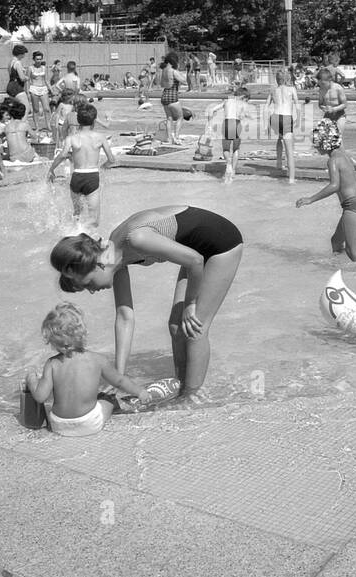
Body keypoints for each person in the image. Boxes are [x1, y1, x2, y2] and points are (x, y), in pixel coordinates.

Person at [49, 205, 244, 394]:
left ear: (97, 265)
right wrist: (120, 377)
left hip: (221, 244)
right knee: (176, 327)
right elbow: (125, 316)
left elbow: (195, 261)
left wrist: (190, 303)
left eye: (88, 284)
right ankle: (182, 387)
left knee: (195, 328)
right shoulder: (113, 258)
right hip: (195, 251)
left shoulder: (136, 239)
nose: (92, 291)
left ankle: (191, 399)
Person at [24, 303, 156, 437]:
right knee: (108, 399)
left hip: (58, 424)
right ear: (82, 333)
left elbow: (40, 396)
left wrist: (32, 380)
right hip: (89, 424)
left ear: (52, 341)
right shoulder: (97, 360)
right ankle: (120, 405)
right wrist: (140, 391)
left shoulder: (52, 364)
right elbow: (120, 381)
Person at [296, 118, 356, 267]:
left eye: (316, 143)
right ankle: (341, 268)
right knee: (336, 242)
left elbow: (334, 185)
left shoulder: (333, 160)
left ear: (325, 143)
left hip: (353, 207)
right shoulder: (343, 155)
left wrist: (310, 199)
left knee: (354, 252)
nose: (315, 147)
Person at [48, 102, 118, 226]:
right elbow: (112, 160)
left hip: (76, 177)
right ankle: (82, 234)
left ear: (78, 120)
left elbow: (63, 155)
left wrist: (51, 169)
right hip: (92, 177)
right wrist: (103, 167)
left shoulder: (71, 138)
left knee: (77, 214)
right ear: (94, 121)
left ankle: (72, 232)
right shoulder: (100, 137)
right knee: (94, 220)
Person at [207, 83, 255, 184]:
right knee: (236, 148)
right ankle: (232, 172)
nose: (246, 102)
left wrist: (210, 125)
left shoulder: (227, 101)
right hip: (237, 124)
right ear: (243, 97)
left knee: (225, 148)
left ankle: (228, 163)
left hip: (227, 123)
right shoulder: (243, 104)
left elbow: (211, 110)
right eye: (246, 100)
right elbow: (247, 116)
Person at [269, 67, 299, 184]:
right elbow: (297, 104)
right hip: (286, 117)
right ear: (287, 78)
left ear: (277, 80)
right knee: (290, 150)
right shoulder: (291, 89)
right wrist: (298, 118)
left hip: (275, 117)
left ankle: (278, 163)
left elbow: (267, 106)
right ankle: (291, 179)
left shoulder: (273, 90)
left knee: (279, 137)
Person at [159, 51, 188, 145]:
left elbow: (161, 84)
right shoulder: (174, 71)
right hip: (173, 96)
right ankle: (176, 137)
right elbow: (184, 81)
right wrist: (179, 71)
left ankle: (169, 138)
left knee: (169, 118)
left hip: (164, 95)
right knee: (180, 117)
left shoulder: (163, 71)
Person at [316, 68, 350, 138]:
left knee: (337, 138)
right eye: (320, 83)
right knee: (323, 138)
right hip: (328, 115)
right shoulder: (321, 90)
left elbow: (345, 104)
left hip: (340, 115)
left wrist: (334, 109)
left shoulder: (338, 88)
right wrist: (323, 107)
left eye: (323, 83)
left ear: (329, 80)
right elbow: (320, 104)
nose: (321, 85)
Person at [26, 50, 52, 137]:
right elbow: (27, 80)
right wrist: (27, 92)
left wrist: (51, 89)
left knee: (47, 108)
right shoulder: (30, 68)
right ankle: (37, 126)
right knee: (36, 109)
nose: (39, 61)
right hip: (34, 88)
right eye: (37, 59)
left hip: (43, 88)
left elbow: (46, 79)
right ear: (34, 59)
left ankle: (48, 125)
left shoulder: (44, 68)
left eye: (40, 59)